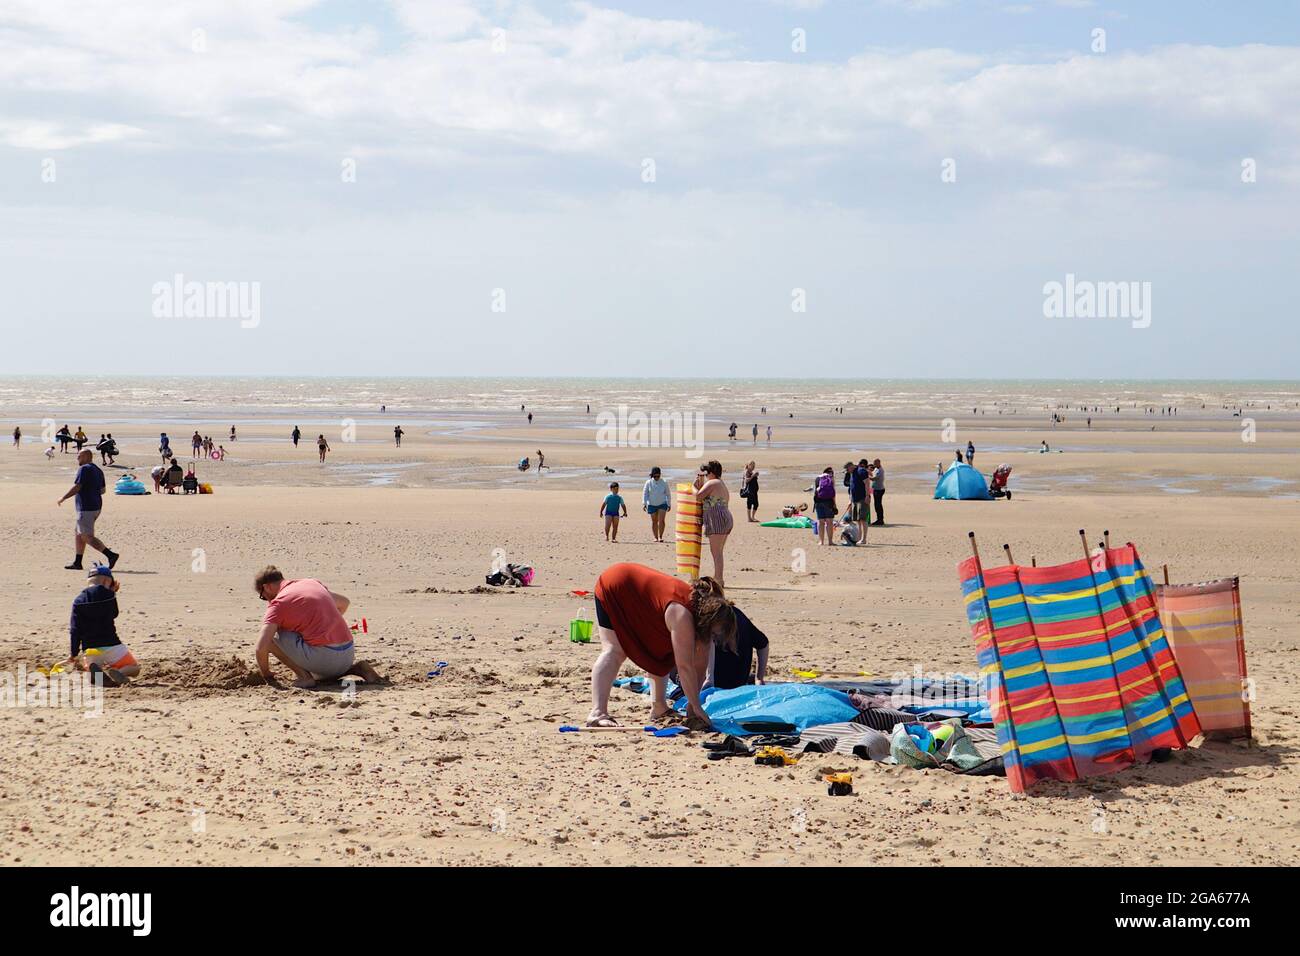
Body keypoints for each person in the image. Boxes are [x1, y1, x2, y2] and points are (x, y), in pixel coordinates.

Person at [587, 563, 737, 729]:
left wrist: (692, 703)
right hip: (617, 583)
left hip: (640, 594)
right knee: (614, 651)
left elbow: (700, 666)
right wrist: (696, 706)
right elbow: (685, 666)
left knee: (662, 651)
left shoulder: (703, 619)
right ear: (707, 621)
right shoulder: (681, 614)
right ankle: (597, 712)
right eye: (713, 634)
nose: (713, 638)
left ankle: (659, 707)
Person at [252, 566, 383, 689]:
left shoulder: (278, 604)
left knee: (272, 635)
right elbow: (344, 603)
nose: (267, 601)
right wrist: (323, 624)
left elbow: (261, 647)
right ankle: (356, 669)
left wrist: (266, 674)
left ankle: (304, 677)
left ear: (267, 587)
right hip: (348, 656)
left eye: (263, 597)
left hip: (325, 660)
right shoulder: (311, 583)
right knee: (319, 666)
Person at [60, 565, 140, 687]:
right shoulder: (109, 595)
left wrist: (73, 653)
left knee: (92, 671)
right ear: (106, 581)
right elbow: (114, 614)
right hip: (112, 644)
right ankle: (118, 672)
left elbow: (75, 630)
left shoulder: (78, 601)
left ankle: (95, 675)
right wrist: (113, 594)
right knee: (134, 668)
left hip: (90, 648)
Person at [57, 449, 119, 571]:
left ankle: (111, 555)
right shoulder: (98, 470)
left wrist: (63, 497)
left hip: (86, 507)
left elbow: (77, 486)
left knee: (86, 536)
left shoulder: (84, 468)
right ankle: (78, 562)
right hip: (96, 507)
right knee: (79, 534)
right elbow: (103, 490)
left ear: (86, 456)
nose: (77, 458)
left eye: (79, 456)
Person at [706, 606, 769, 690]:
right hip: (738, 683)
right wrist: (759, 678)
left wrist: (758, 679)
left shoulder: (738, 621)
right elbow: (763, 644)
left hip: (724, 685)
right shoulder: (736, 614)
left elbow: (763, 644)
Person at [694, 460, 733, 587]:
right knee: (718, 551)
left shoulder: (713, 482)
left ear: (711, 473)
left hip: (718, 519)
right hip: (724, 518)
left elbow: (698, 496)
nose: (705, 477)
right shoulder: (720, 483)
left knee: (716, 552)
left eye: (706, 474)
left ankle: (719, 580)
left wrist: (694, 487)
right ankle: (718, 578)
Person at [642, 467, 671, 542]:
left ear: (660, 475)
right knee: (654, 521)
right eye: (655, 476)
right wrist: (644, 503)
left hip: (662, 504)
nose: (656, 478)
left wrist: (669, 504)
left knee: (661, 520)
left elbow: (668, 494)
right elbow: (645, 493)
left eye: (658, 476)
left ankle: (660, 536)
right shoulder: (648, 482)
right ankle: (656, 537)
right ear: (652, 475)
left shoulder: (664, 482)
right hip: (652, 504)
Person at [848, 458, 871, 544]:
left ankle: (864, 539)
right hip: (855, 499)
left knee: (863, 519)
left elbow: (867, 483)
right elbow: (851, 487)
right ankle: (859, 538)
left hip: (862, 498)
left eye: (848, 469)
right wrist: (850, 500)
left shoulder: (861, 471)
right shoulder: (852, 473)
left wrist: (867, 496)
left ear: (851, 466)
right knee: (857, 520)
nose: (848, 471)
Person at [813, 466, 837, 546]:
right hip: (829, 502)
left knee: (821, 522)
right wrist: (834, 504)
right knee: (829, 522)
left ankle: (821, 541)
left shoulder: (817, 478)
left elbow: (815, 491)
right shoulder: (831, 479)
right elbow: (833, 494)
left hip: (818, 502)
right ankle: (830, 541)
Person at [870, 457, 886, 526]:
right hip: (875, 489)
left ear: (879, 463)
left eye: (875, 463)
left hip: (879, 489)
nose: (874, 464)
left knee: (878, 505)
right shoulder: (876, 469)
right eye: (874, 463)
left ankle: (880, 520)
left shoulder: (880, 470)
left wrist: (866, 477)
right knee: (876, 505)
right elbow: (872, 474)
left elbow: (874, 478)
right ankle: (879, 519)